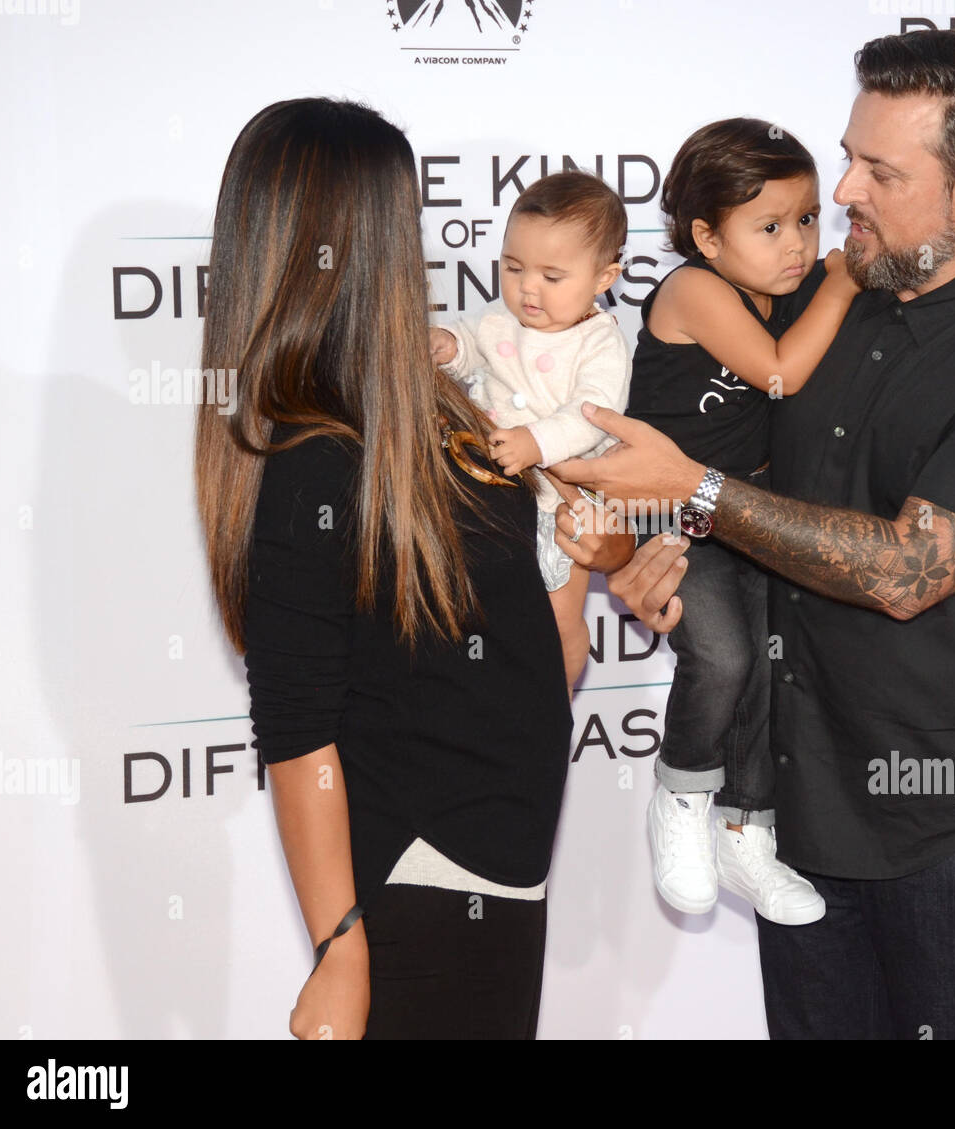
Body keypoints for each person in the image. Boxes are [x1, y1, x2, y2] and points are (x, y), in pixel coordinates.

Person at [553, 29, 955, 1039]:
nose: (845, 187)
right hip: (789, 815)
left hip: (950, 824)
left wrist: (698, 489)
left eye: (881, 170)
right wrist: (639, 554)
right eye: (847, 153)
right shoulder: (808, 303)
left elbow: (905, 570)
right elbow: (710, 470)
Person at [193, 97, 636, 1040]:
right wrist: (341, 943)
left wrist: (590, 559)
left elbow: (534, 635)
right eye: (405, 222)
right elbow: (297, 729)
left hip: (502, 856)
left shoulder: (441, 401)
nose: (421, 250)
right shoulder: (313, 455)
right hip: (422, 878)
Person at [625, 118, 858, 925]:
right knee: (723, 659)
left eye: (807, 220)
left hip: (754, 512)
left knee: (772, 666)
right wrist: (844, 278)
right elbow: (779, 374)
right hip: (677, 515)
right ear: (704, 236)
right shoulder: (693, 290)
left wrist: (829, 276)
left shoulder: (785, 289)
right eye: (769, 226)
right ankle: (682, 796)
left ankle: (747, 831)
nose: (796, 243)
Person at [429, 171, 631, 698]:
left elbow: (593, 415)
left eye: (552, 276)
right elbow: (474, 342)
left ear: (604, 277)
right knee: (491, 614)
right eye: (513, 267)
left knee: (559, 620)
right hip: (490, 497)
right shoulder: (500, 317)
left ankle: (552, 703)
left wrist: (536, 442)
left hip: (560, 509)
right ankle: (490, 697)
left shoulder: (599, 343)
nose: (527, 288)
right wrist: (450, 345)